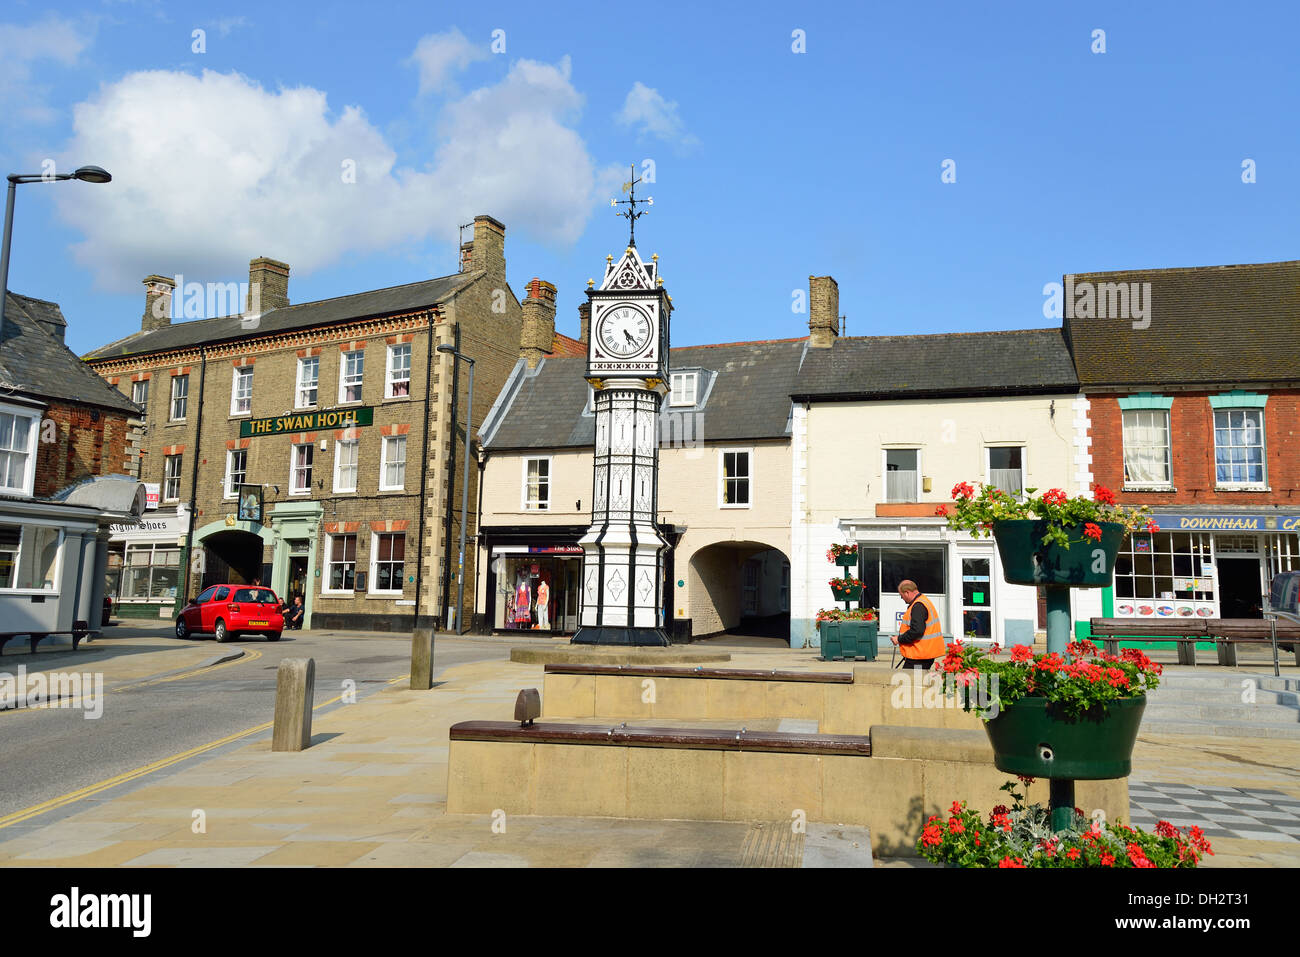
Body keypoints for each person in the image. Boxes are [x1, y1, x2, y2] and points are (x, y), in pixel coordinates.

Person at [891, 579, 945, 669]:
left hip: (919, 655)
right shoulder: (923, 600)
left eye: (901, 596)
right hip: (924, 653)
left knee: (909, 681)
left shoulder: (918, 606)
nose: (902, 599)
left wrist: (899, 639)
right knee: (915, 681)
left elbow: (917, 631)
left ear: (907, 592)